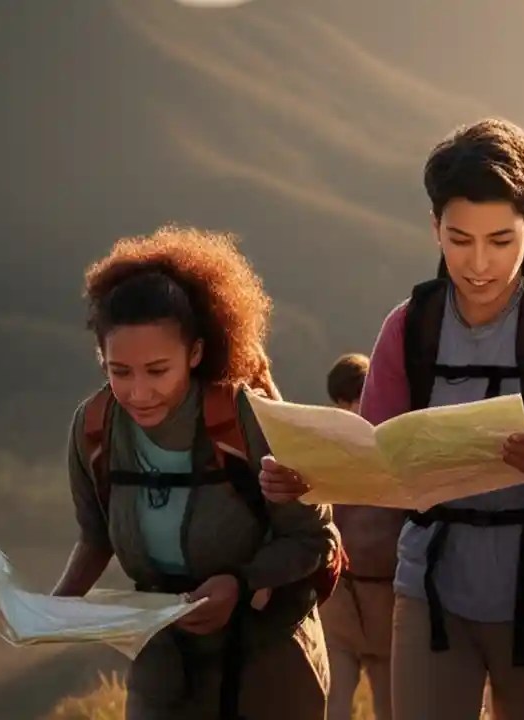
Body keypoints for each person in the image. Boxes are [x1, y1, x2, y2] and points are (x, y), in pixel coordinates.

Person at [260, 117, 524, 720]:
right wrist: (303, 481)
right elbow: (369, 466)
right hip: (431, 587)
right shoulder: (409, 328)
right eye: (459, 239)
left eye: (501, 241)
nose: (478, 263)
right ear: (435, 228)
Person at [50, 225, 338, 719]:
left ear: (197, 353)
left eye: (158, 371)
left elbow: (315, 539)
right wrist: (49, 611)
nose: (139, 392)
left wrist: (239, 584)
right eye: (120, 371)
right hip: (163, 660)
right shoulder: (94, 429)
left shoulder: (248, 419)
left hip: (267, 659)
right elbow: (96, 535)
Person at [320, 353, 402, 720]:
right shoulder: (327, 454)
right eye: (344, 401)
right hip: (339, 601)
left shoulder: (398, 454)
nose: (354, 408)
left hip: (389, 600)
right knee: (333, 703)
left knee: (391, 706)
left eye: (360, 397)